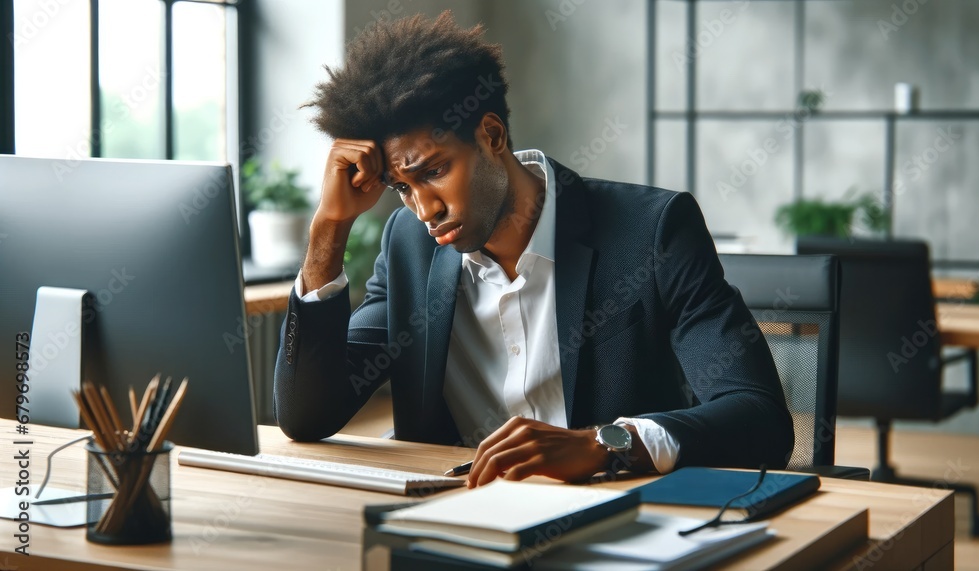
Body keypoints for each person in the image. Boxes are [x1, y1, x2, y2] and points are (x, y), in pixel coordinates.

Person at [274, 12, 793, 488]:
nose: (422, 208)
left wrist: (600, 446)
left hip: (617, 520)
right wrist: (330, 227)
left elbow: (758, 414)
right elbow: (306, 416)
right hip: (457, 522)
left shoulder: (652, 231)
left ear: (491, 135)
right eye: (401, 188)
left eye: (433, 172)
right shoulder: (409, 245)